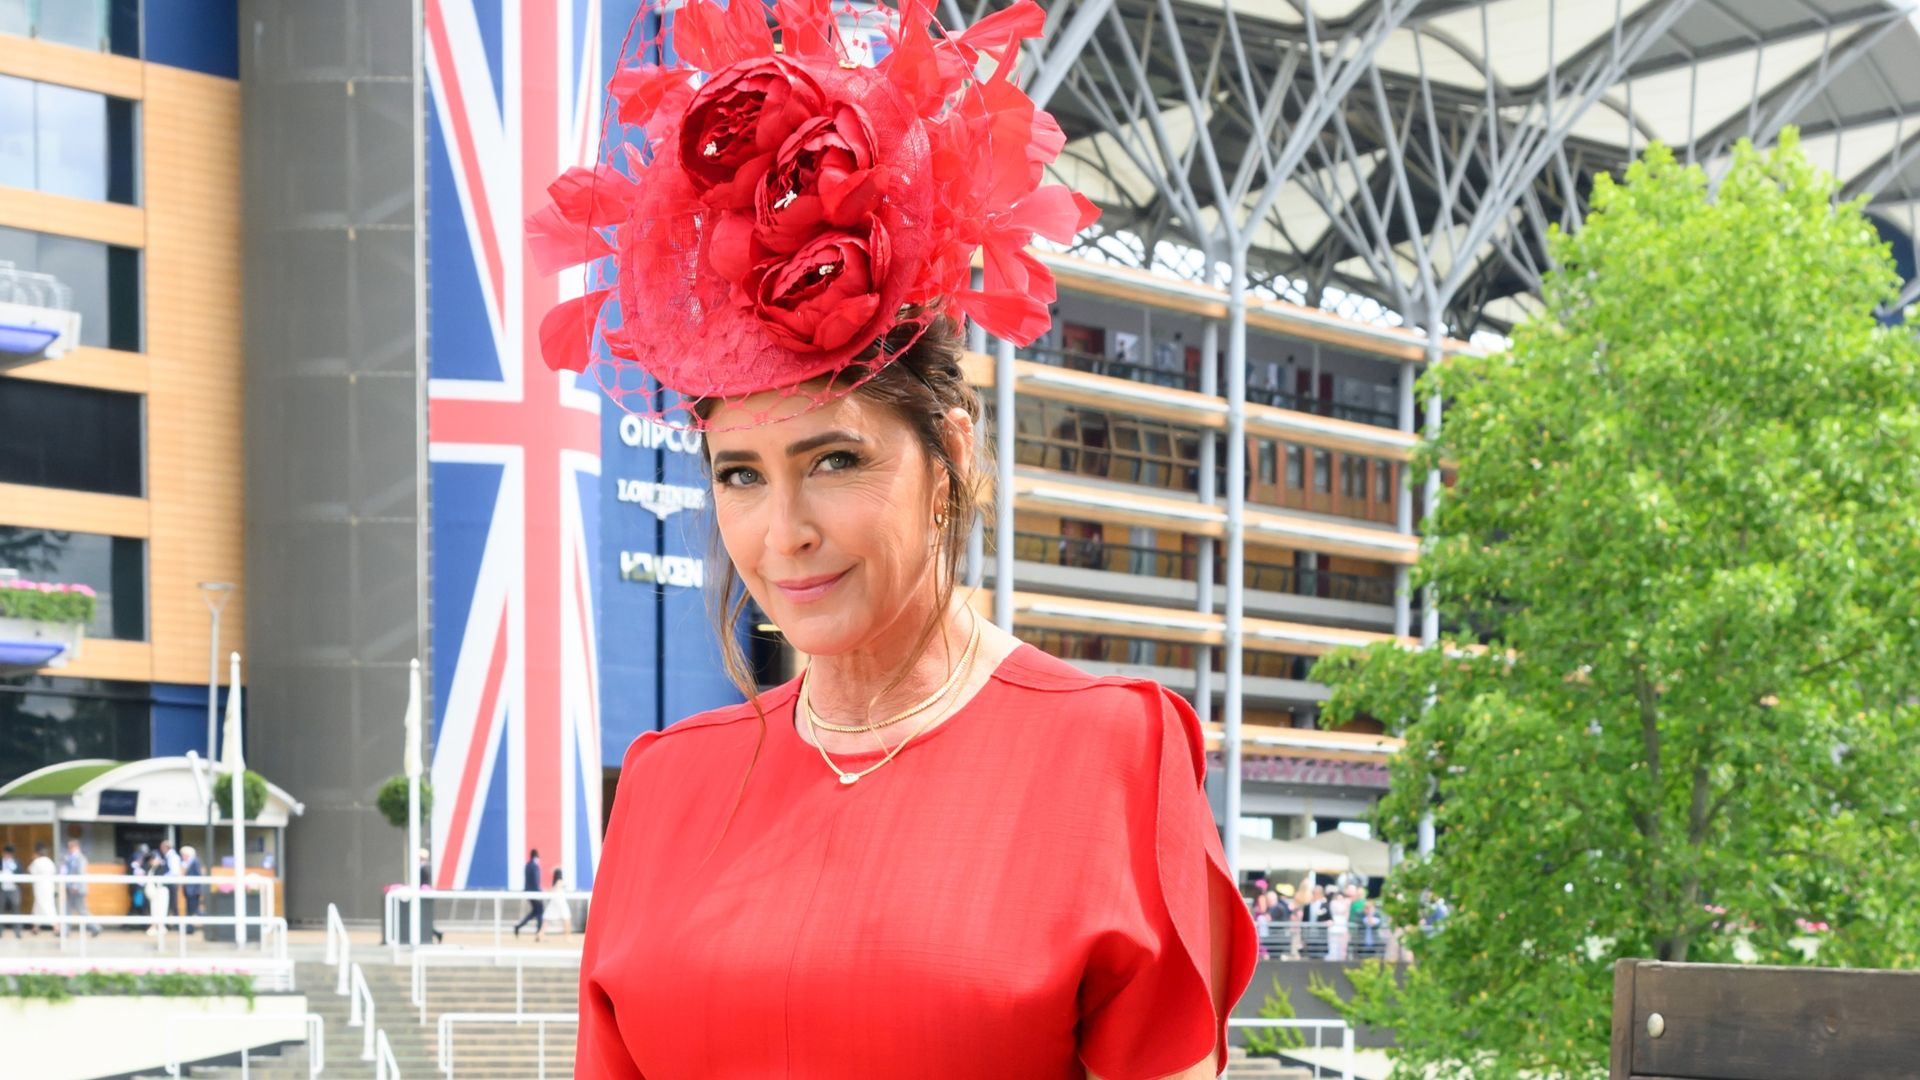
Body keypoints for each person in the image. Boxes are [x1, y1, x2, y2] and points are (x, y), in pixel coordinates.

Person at [548, 4, 1257, 1074]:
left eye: (835, 460)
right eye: (741, 475)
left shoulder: (1112, 758)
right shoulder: (661, 787)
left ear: (950, 454)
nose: (783, 533)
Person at [62, 838, 99, 936]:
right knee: (67, 910)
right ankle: (65, 931)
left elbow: (81, 873)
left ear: (76, 847)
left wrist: (76, 885)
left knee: (82, 910)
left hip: (78, 889)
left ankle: (96, 927)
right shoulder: (69, 858)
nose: (69, 849)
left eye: (70, 847)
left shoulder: (81, 858)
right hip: (70, 888)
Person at [511, 849, 544, 938]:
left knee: (535, 912)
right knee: (540, 912)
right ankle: (538, 933)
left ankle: (518, 926)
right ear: (536, 856)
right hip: (535, 893)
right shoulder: (535, 866)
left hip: (528, 891)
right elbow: (536, 881)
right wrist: (539, 892)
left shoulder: (527, 865)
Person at [27, 842, 55, 933]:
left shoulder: (37, 861)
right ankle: (35, 927)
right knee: (39, 906)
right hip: (49, 886)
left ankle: (56, 926)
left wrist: (33, 860)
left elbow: (30, 871)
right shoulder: (49, 861)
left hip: (40, 887)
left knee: (45, 905)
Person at [143, 853, 171, 946]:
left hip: (161, 891)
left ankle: (161, 926)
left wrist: (160, 863)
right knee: (154, 909)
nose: (152, 862)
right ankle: (154, 926)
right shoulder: (151, 869)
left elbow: (165, 871)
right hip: (154, 892)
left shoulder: (163, 867)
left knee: (162, 908)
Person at [538, 868, 572, 942]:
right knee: (566, 919)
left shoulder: (555, 882)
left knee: (547, 919)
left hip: (555, 902)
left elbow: (552, 890)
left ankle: (540, 934)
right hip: (561, 902)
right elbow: (558, 890)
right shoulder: (560, 881)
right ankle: (568, 937)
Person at [179, 846, 205, 934]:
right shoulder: (188, 863)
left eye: (183, 855)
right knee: (191, 910)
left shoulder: (195, 862)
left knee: (194, 910)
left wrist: (198, 890)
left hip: (193, 891)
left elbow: (198, 876)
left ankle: (190, 928)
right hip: (189, 890)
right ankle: (190, 928)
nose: (182, 857)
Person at [0, 843, 20, 938]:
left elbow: (20, 872)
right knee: (1, 910)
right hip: (2, 889)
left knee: (16, 909)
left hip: (13, 889)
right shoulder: (1, 862)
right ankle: (0, 931)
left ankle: (17, 932)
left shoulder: (16, 863)